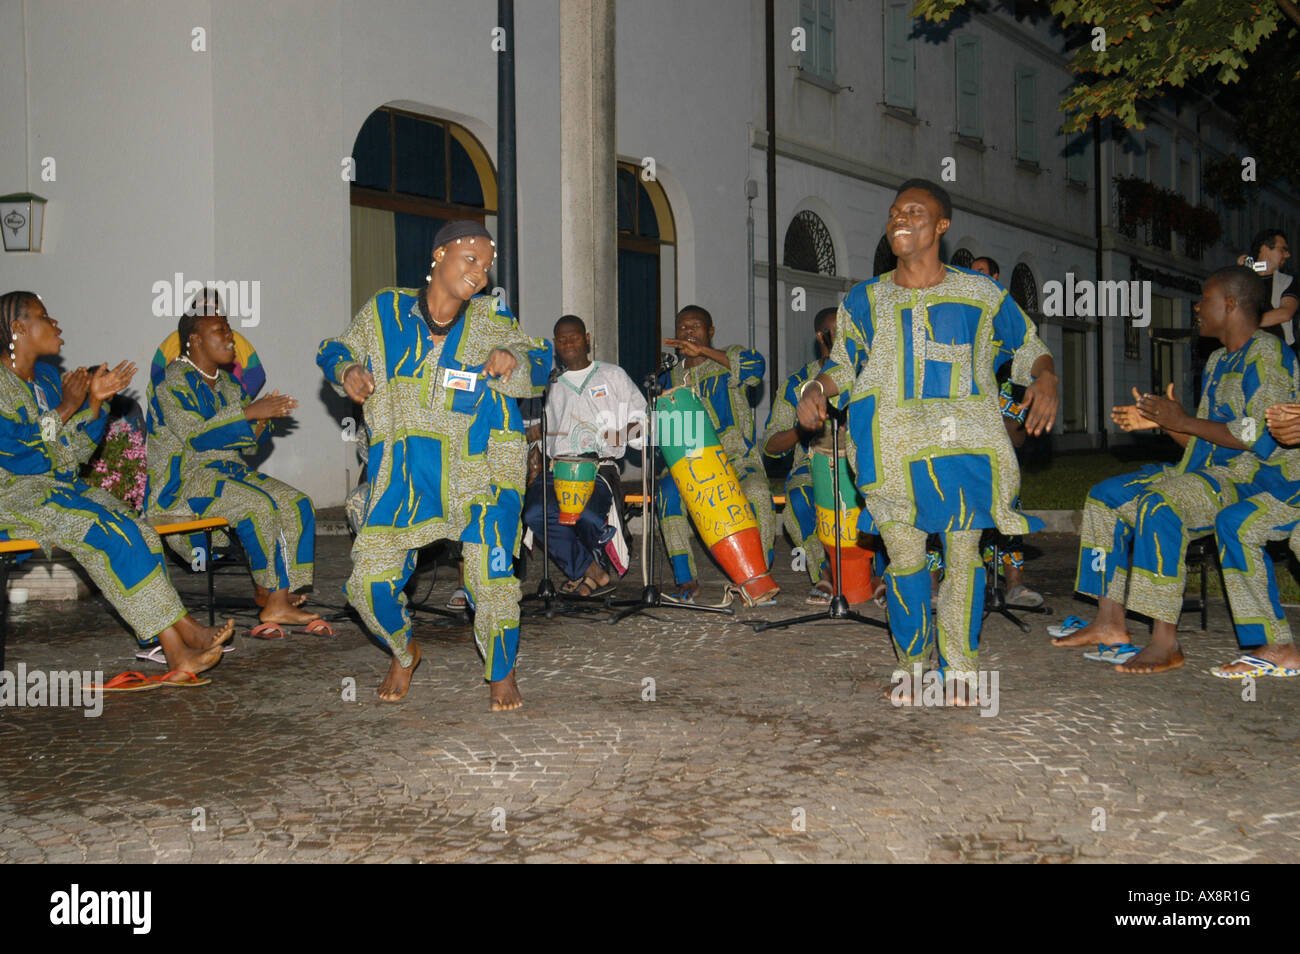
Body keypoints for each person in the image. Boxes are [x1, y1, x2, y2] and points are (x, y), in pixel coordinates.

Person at [797, 179, 1059, 702]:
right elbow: (843, 365)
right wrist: (815, 388)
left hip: (966, 444)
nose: (899, 219)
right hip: (887, 448)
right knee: (905, 559)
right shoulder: (864, 299)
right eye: (894, 212)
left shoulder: (981, 293)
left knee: (964, 556)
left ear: (940, 225)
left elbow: (1028, 346)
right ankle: (913, 665)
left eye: (914, 212)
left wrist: (1046, 378)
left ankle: (960, 669)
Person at [317, 220, 550, 707]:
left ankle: (500, 670)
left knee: (491, 572)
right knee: (367, 584)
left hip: (479, 466)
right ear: (438, 255)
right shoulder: (385, 310)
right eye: (470, 260)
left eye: (486, 267)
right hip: (404, 470)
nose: (479, 274)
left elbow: (539, 360)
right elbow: (333, 349)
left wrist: (511, 358)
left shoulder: (490, 318)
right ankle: (403, 650)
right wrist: (348, 370)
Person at [1057, 266, 1293, 675]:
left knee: (1159, 505)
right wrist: (1164, 423)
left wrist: (1181, 420)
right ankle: (1110, 623)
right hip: (1204, 470)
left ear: (1231, 304)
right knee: (1103, 497)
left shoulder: (1267, 355)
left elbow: (1254, 434)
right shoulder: (1220, 360)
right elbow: (1203, 440)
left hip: (1249, 478)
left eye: (1205, 299)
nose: (1197, 307)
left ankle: (1165, 640)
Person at [0, 291, 233, 683]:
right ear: (19, 328)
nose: (56, 324)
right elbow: (17, 448)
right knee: (111, 533)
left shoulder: (46, 381)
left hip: (59, 487)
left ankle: (175, 641)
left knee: (139, 528)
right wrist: (68, 407)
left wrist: (93, 404)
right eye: (44, 316)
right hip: (15, 496)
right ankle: (182, 641)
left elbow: (75, 451)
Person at [146, 289, 326, 638]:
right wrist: (249, 413)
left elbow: (242, 441)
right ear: (194, 340)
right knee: (256, 505)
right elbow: (197, 436)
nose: (231, 338)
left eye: (229, 329)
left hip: (228, 474)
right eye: (221, 331)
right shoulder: (171, 382)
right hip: (184, 482)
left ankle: (280, 599)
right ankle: (271, 592)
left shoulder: (228, 384)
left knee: (297, 502)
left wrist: (260, 422)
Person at [657, 305, 775, 602]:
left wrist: (704, 351)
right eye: (682, 328)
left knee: (759, 492)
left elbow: (755, 370)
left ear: (710, 332)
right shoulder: (669, 376)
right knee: (668, 491)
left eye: (695, 327)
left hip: (736, 460)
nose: (688, 333)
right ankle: (685, 579)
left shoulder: (728, 360)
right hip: (692, 464)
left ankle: (755, 575)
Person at [522, 315, 645, 595]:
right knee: (534, 512)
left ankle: (590, 570)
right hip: (558, 469)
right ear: (554, 344)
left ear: (587, 338)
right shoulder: (549, 384)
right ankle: (588, 569)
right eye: (561, 339)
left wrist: (620, 434)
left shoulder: (612, 375)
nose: (568, 343)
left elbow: (643, 418)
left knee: (587, 516)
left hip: (599, 468)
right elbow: (535, 431)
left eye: (574, 336)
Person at [763, 307, 836, 604]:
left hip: (860, 465)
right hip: (810, 465)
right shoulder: (796, 384)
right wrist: (801, 431)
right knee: (798, 500)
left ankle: (881, 577)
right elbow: (770, 445)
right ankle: (826, 576)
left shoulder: (868, 373)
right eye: (838, 330)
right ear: (821, 336)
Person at [1238, 230, 1297, 345]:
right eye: (1283, 249)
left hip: (1277, 351)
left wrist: (1245, 322)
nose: (1287, 255)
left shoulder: (1287, 281)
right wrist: (1241, 272)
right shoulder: (1242, 279)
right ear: (1265, 248)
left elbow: (1285, 313)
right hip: (1245, 348)